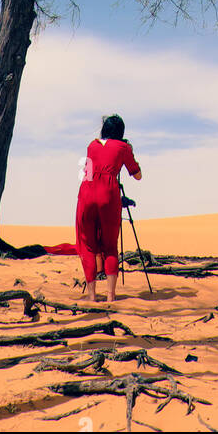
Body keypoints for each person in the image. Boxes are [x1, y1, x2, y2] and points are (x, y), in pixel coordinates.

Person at [75, 114, 141, 306]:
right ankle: (111, 297)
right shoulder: (123, 147)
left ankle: (91, 296)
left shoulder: (91, 145)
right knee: (110, 245)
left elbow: (87, 173)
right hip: (108, 195)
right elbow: (137, 175)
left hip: (86, 193)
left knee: (88, 246)